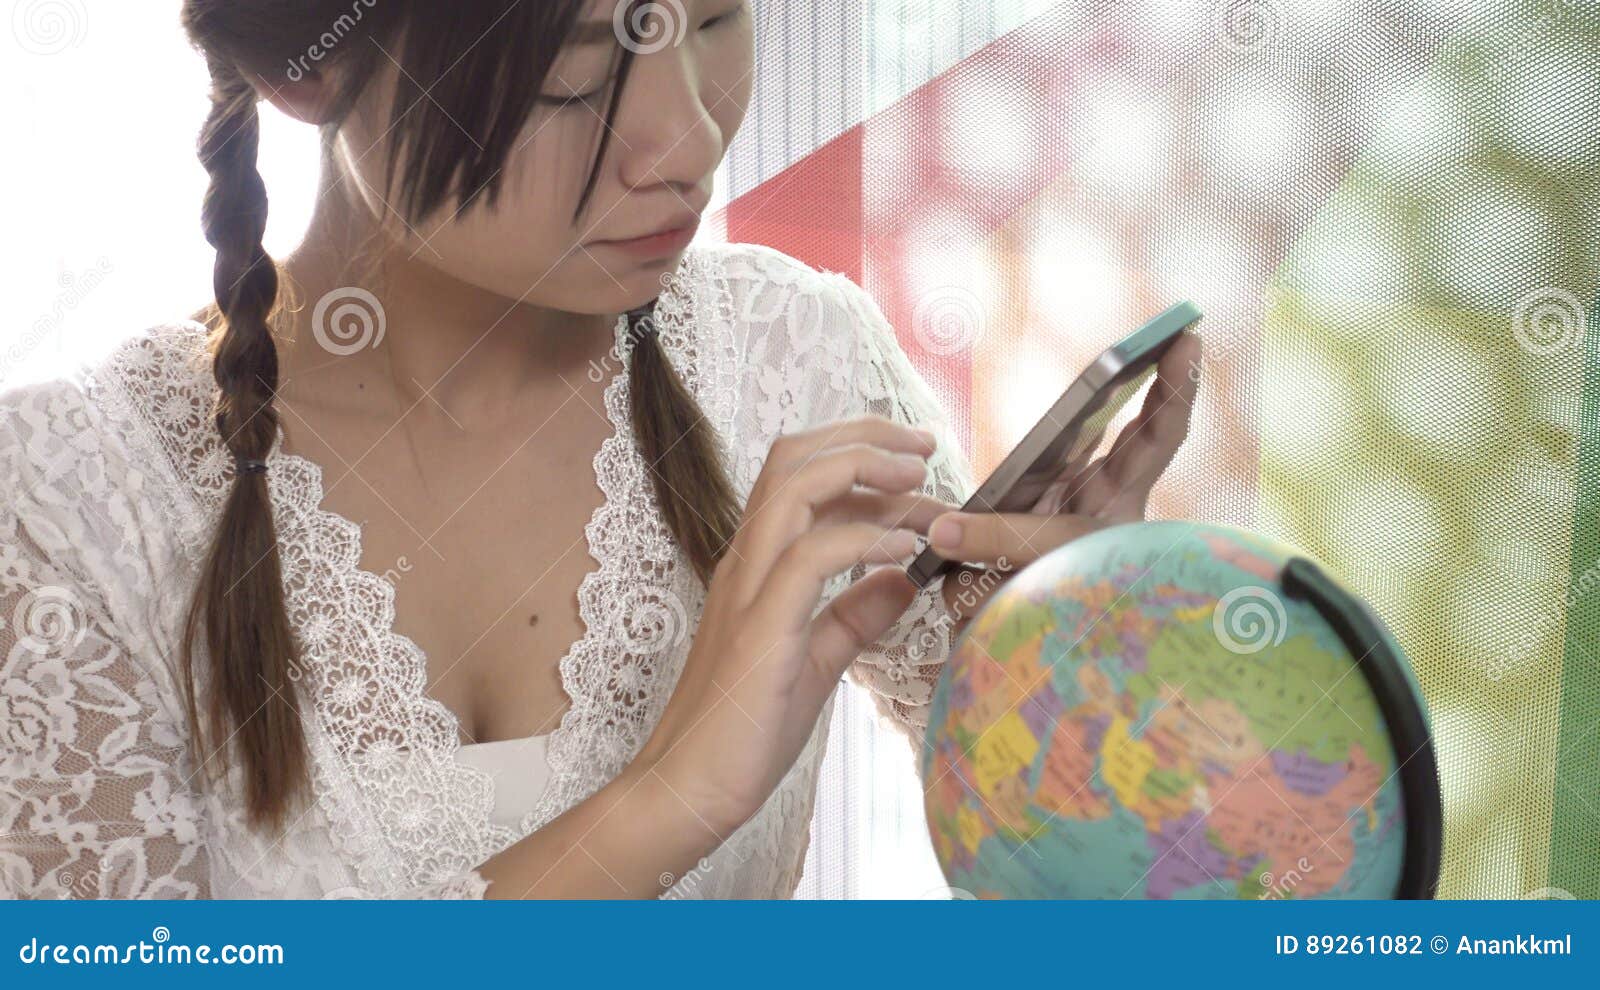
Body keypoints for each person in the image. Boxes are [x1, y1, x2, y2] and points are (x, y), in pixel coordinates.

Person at [0, 0, 1200, 898]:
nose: (685, 142)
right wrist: (664, 798)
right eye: (579, 74)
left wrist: (1079, 650)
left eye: (718, 17)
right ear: (300, 66)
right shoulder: (73, 505)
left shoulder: (787, 359)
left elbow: (1117, 895)